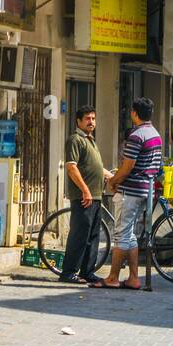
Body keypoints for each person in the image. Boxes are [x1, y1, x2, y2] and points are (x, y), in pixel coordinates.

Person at [103, 97, 163, 290]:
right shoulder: (155, 134)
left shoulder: (137, 136)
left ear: (134, 114)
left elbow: (127, 167)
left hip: (131, 191)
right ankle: (133, 278)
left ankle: (112, 277)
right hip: (146, 190)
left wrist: (113, 181)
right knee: (131, 235)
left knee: (121, 234)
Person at [60, 105, 111, 286]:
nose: (91, 122)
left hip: (96, 195)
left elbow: (95, 166)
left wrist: (111, 176)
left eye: (93, 119)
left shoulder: (91, 141)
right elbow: (71, 167)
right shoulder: (75, 140)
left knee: (93, 237)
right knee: (79, 235)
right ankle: (68, 272)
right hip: (84, 196)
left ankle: (88, 272)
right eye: (88, 119)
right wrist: (85, 189)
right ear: (79, 121)